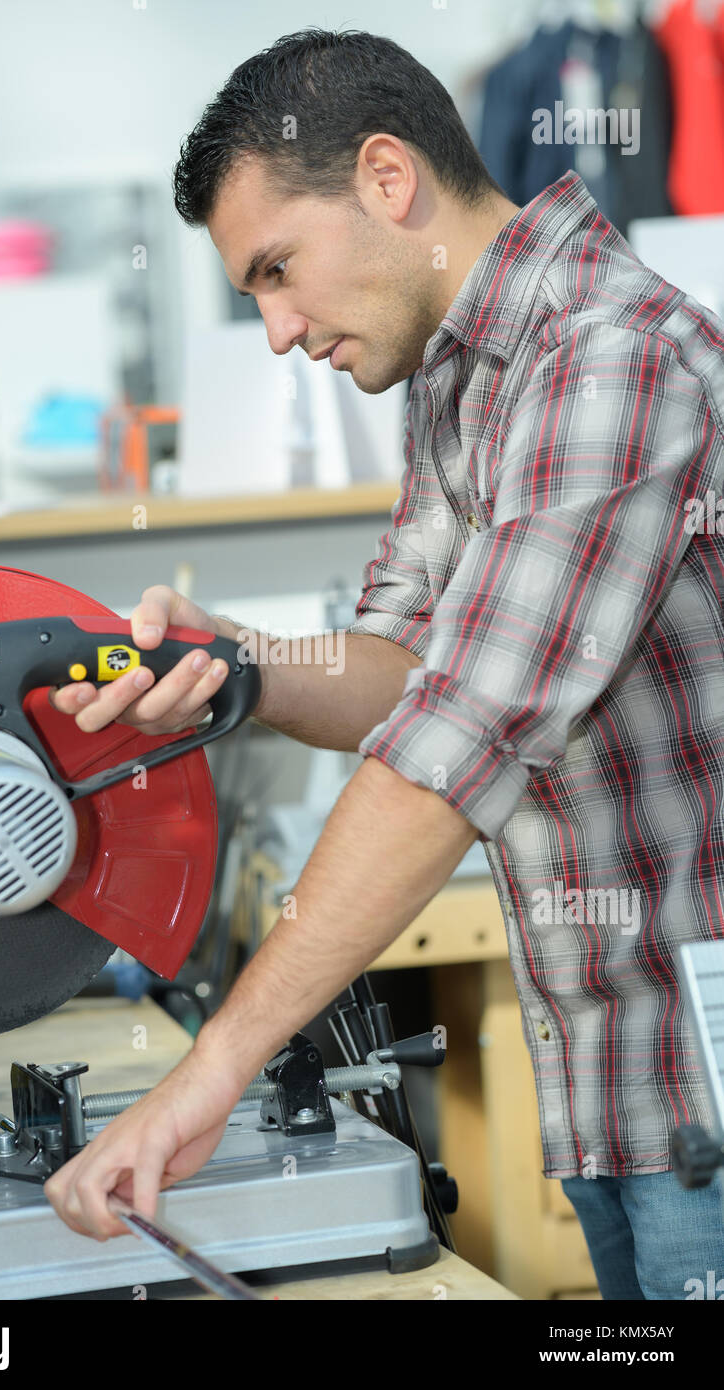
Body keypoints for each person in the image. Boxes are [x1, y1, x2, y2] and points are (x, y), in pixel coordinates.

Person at [44, 29, 724, 1299]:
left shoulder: (609, 358)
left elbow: (446, 747)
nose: (279, 330)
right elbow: (403, 662)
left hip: (703, 1102)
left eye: (277, 269)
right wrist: (237, 663)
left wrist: (211, 1073)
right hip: (606, 1085)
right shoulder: (458, 374)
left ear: (385, 177)